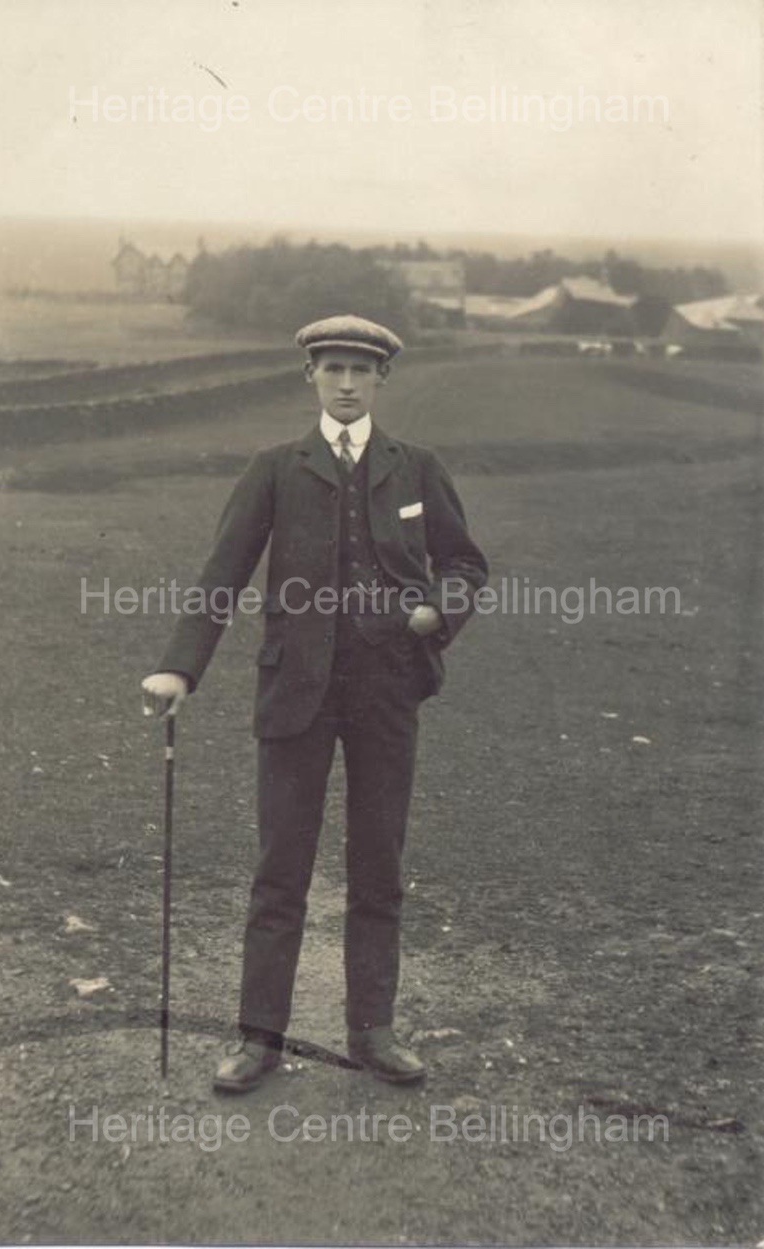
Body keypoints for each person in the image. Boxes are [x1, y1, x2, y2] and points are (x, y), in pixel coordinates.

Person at [141, 314, 488, 1093]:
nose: (345, 382)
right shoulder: (274, 468)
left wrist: (439, 610)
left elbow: (465, 562)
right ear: (311, 376)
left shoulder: (417, 468)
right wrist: (178, 671)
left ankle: (373, 1032)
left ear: (381, 380)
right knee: (279, 872)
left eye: (360, 370)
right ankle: (258, 1039)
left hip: (387, 695)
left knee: (378, 868)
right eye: (331, 368)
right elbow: (220, 577)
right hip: (293, 694)